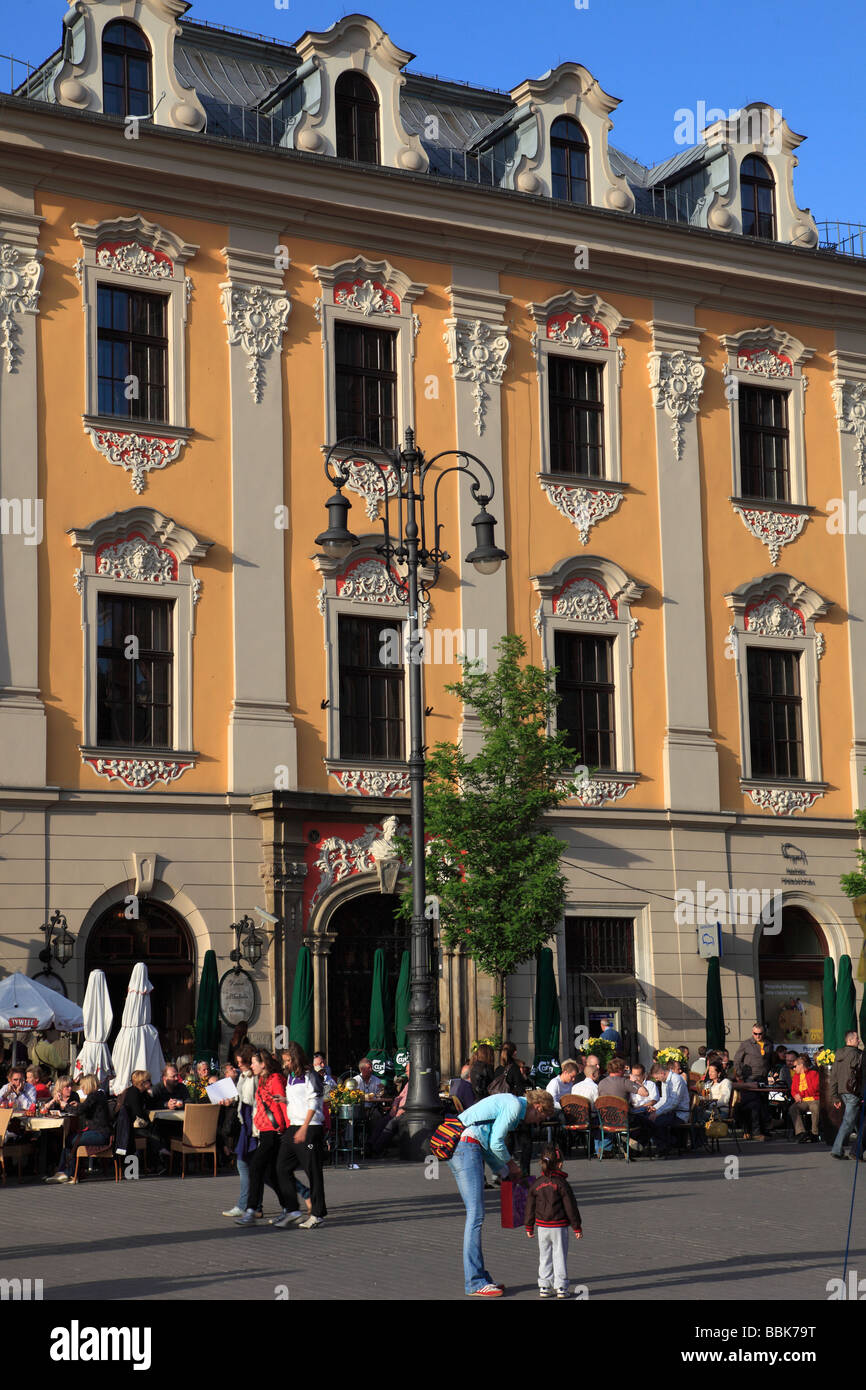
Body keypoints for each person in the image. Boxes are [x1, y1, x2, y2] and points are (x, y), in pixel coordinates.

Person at [448, 1087, 556, 1297]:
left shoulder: (510, 1102)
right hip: (465, 1147)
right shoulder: (515, 1107)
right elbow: (495, 1142)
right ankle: (475, 1282)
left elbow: (486, 1141)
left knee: (475, 1215)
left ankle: (481, 1276)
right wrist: (511, 1164)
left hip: (464, 1146)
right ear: (538, 1107)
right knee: (475, 1215)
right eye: (541, 1117)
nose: (537, 1123)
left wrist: (505, 1172)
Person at [274, 1041, 327, 1229]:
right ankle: (292, 1209)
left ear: (295, 1059)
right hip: (294, 1127)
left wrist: (305, 1128)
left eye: (288, 1061)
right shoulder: (290, 1077)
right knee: (280, 1167)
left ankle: (318, 1214)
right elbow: (300, 1099)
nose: (285, 1064)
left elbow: (314, 1102)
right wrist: (285, 1099)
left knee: (313, 1172)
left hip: (310, 1128)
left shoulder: (310, 1075)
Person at [235, 1050, 288, 1226]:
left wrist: (288, 1129)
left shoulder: (275, 1079)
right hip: (264, 1131)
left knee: (256, 1167)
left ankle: (251, 1210)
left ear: (263, 1064)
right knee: (270, 1174)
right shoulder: (263, 1080)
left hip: (274, 1132)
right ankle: (289, 1207)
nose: (251, 1065)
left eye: (254, 1062)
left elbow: (283, 1104)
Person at [525, 1143, 582, 1299]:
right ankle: (561, 1287)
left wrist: (529, 1226)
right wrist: (577, 1226)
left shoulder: (536, 1184)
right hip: (559, 1227)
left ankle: (544, 1285)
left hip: (542, 1227)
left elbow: (529, 1206)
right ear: (560, 1164)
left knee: (544, 1256)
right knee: (559, 1256)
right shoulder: (562, 1184)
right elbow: (570, 1206)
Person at [45, 1073, 112, 1183]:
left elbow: (79, 1111)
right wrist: (77, 1105)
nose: (81, 1088)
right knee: (70, 1139)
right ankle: (64, 1172)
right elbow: (85, 1108)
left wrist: (65, 1105)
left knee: (70, 1140)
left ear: (88, 1085)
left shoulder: (94, 1096)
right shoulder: (98, 1095)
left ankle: (67, 1173)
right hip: (101, 1132)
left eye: (83, 1086)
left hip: (100, 1134)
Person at [222, 1047, 261, 1219]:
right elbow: (240, 1097)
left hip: (253, 1123)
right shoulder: (244, 1076)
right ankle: (254, 1205)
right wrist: (231, 1100)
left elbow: (254, 1100)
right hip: (245, 1122)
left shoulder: (255, 1077)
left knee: (247, 1165)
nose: (239, 1065)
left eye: (241, 1062)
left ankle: (245, 1205)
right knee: (248, 1165)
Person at [117, 1070, 164, 1173]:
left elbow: (152, 1104)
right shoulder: (133, 1093)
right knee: (154, 1134)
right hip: (129, 1128)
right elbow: (137, 1113)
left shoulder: (141, 1092)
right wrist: (148, 1121)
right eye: (149, 1081)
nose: (151, 1083)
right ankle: (157, 1163)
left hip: (135, 1126)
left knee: (155, 1129)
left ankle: (156, 1162)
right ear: (142, 1082)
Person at [733, 1024, 773, 1140]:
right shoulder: (746, 1044)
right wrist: (741, 1074)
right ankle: (754, 1131)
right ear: (752, 1033)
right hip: (750, 1078)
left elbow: (769, 1060)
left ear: (763, 1033)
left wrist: (769, 1072)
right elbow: (737, 1060)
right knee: (753, 1105)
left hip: (763, 1077)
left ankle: (764, 1129)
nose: (758, 1036)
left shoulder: (768, 1044)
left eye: (760, 1034)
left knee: (764, 1104)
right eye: (755, 1034)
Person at [644, 1062, 689, 1157]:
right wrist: (654, 1108)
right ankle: (663, 1144)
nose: (657, 1080)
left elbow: (673, 1103)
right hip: (670, 1112)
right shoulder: (665, 1081)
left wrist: (657, 1113)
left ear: (662, 1073)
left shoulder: (676, 1080)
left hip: (679, 1113)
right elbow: (664, 1099)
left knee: (656, 1121)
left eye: (656, 1077)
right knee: (647, 1118)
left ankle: (665, 1146)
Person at [830, 1031, 862, 1160]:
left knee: (858, 1121)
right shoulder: (857, 1054)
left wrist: (834, 1096)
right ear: (850, 1040)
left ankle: (858, 1149)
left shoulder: (838, 1054)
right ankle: (837, 1149)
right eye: (856, 1039)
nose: (859, 1041)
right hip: (853, 1092)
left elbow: (833, 1077)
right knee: (848, 1121)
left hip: (842, 1092)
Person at [370, 1064, 409, 1156]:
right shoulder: (408, 1083)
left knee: (391, 1123)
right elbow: (398, 1097)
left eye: (407, 1071)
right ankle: (370, 1144)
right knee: (382, 1121)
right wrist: (394, 1107)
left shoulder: (417, 1083)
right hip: (397, 1110)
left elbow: (412, 1101)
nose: (405, 1073)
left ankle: (376, 1149)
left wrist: (400, 1110)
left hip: (406, 1112)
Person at [788, 1054, 821, 1145]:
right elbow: (793, 1089)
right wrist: (795, 1095)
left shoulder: (814, 1073)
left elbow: (814, 1089)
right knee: (793, 1108)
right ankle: (801, 1133)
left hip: (814, 1099)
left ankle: (815, 1133)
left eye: (795, 1066)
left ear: (801, 1065)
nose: (794, 1069)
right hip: (803, 1101)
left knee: (815, 1107)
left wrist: (801, 1094)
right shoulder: (796, 1076)